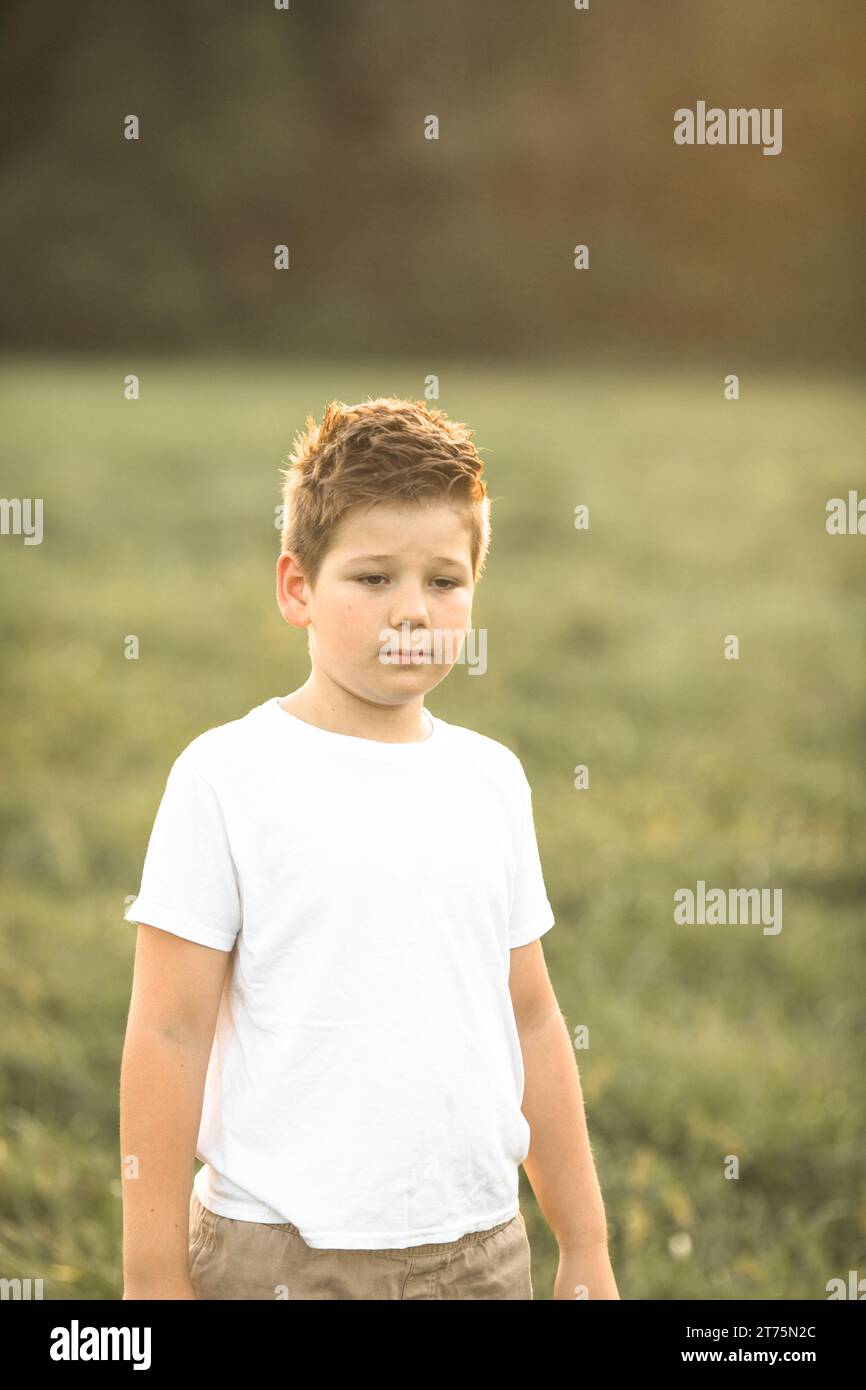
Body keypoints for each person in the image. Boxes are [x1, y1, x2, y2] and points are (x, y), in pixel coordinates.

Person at [119, 396, 619, 1300]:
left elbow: (534, 1018)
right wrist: (153, 1277)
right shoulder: (228, 777)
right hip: (282, 1255)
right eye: (374, 578)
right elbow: (169, 1030)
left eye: (444, 581)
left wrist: (582, 1243)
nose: (413, 612)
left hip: (482, 1251)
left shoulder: (491, 780)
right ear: (297, 588)